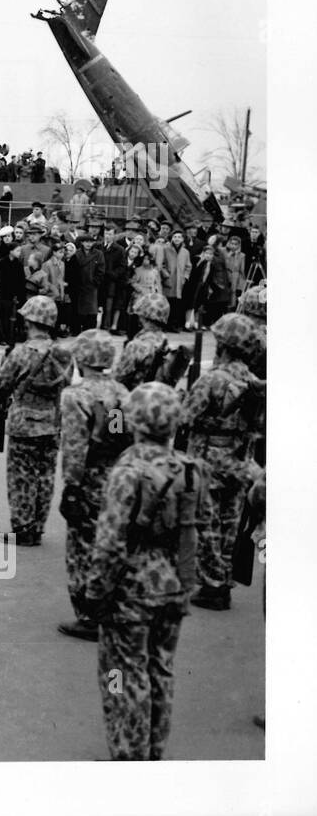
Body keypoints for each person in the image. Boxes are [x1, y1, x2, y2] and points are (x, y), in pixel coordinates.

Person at [78, 382, 209, 760]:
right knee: (161, 670)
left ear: (133, 420)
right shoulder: (189, 469)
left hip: (131, 589)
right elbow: (199, 528)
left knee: (121, 674)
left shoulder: (128, 470)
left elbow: (110, 540)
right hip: (175, 584)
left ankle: (127, 750)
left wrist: (96, 591)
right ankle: (153, 751)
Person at [181, 313, 266, 611]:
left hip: (209, 460)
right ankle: (223, 581)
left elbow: (185, 416)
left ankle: (213, 585)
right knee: (230, 524)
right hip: (240, 458)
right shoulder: (252, 379)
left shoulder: (213, 378)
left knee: (207, 523)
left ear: (225, 345)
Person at [57, 329, 132, 640]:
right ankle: (110, 606)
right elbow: (123, 436)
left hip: (89, 478)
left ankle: (89, 615)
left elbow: (75, 444)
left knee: (82, 545)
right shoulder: (121, 392)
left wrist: (72, 485)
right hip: (118, 477)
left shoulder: (76, 395)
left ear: (80, 358)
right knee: (111, 541)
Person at [0, 295, 73, 546]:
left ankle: (23, 526)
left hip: (24, 424)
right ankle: (38, 527)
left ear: (29, 320)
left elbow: (2, 382)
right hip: (51, 422)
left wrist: (4, 362)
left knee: (21, 477)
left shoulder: (20, 353)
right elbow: (66, 382)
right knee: (45, 476)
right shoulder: (62, 354)